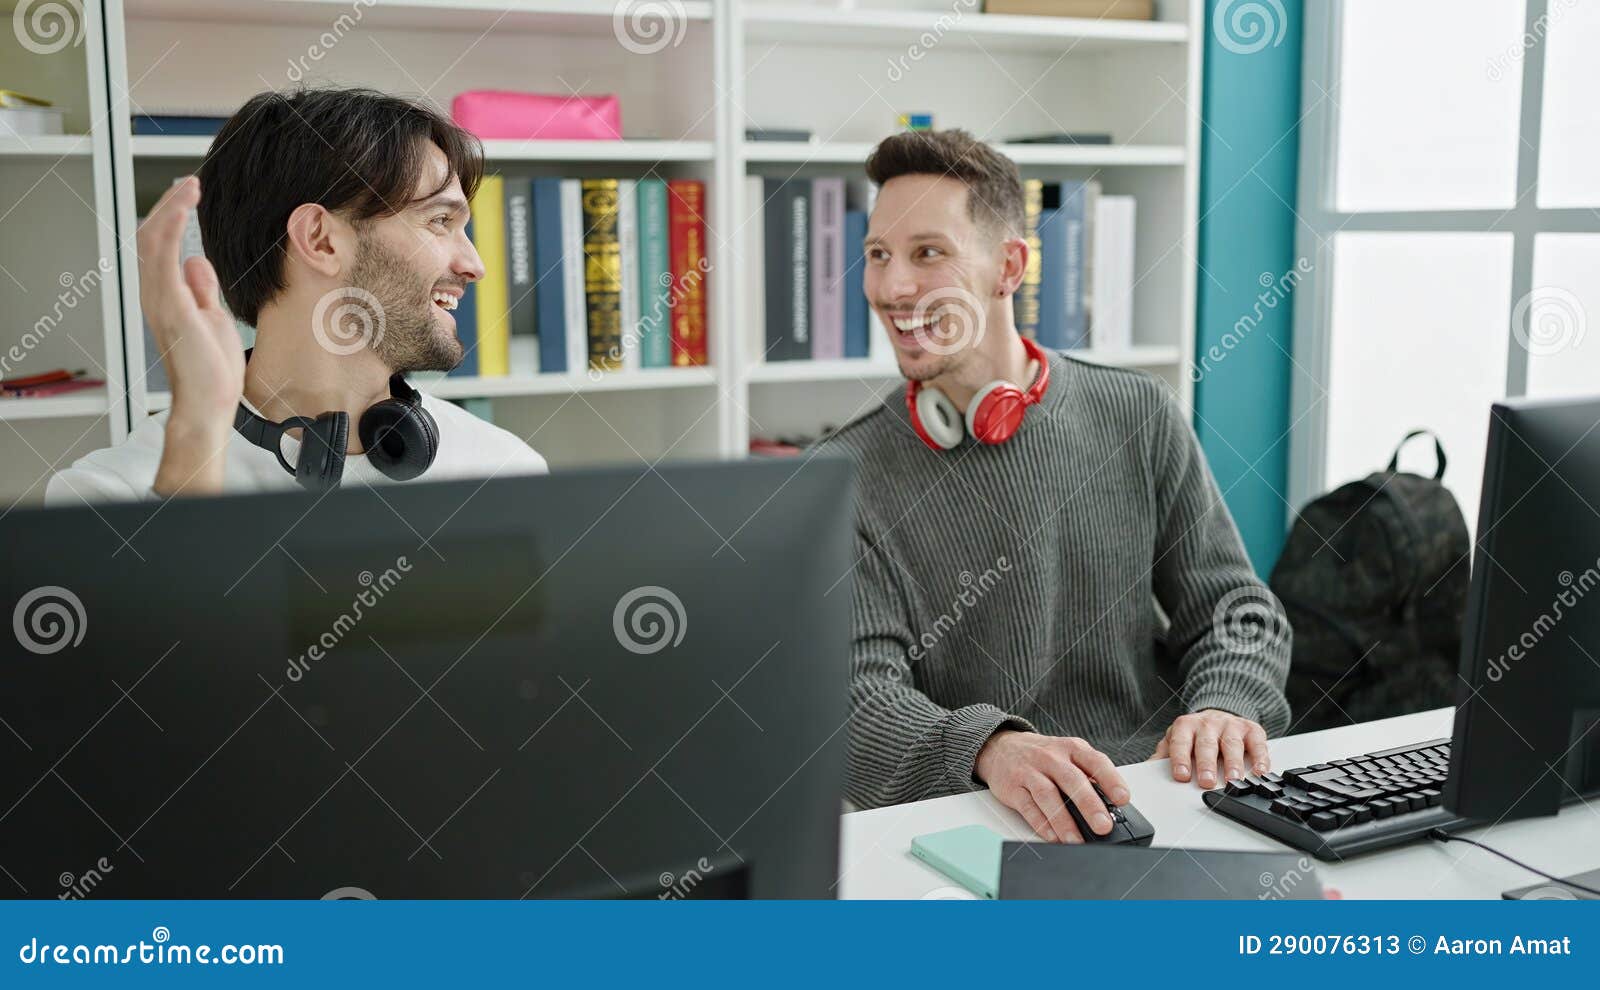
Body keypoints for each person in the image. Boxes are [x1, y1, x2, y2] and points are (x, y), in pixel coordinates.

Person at [820, 129, 1292, 843]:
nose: (891, 288)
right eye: (878, 255)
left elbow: (1236, 608)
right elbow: (856, 698)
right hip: (975, 818)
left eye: (928, 253)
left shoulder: (1137, 414)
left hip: (1155, 793)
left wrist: (1226, 705)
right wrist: (990, 749)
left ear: (1009, 267)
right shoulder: (843, 475)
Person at [47, 87, 545, 505]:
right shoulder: (108, 495)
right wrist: (196, 438)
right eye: (439, 221)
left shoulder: (506, 472)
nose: (475, 265)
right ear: (320, 240)